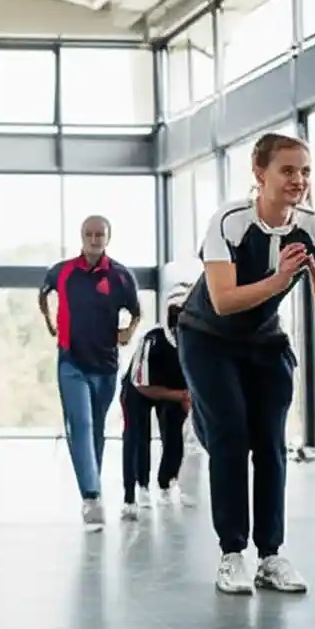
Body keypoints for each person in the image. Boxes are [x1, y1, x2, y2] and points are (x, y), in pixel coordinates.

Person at [177, 132, 315, 595]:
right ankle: (232, 554)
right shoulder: (230, 221)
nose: (299, 180)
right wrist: (279, 279)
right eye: (288, 170)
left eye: (306, 171)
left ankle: (271, 555)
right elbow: (223, 300)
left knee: (272, 445)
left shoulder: (314, 227)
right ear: (260, 174)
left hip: (265, 343)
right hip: (207, 337)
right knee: (232, 436)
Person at [38, 214, 142, 530]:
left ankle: (91, 485)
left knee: (95, 429)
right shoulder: (62, 271)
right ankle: (92, 496)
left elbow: (136, 313)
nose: (94, 239)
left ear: (108, 238)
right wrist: (50, 323)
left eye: (100, 234)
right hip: (71, 362)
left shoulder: (122, 276)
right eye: (89, 233)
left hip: (106, 366)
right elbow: (43, 295)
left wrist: (129, 331)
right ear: (81, 236)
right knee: (79, 424)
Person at [119, 282, 195, 520]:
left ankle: (166, 484)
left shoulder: (196, 341)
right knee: (136, 436)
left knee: (173, 434)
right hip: (139, 389)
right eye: (175, 311)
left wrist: (188, 396)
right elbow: (142, 385)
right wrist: (180, 395)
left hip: (174, 389)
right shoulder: (152, 340)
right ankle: (134, 492)